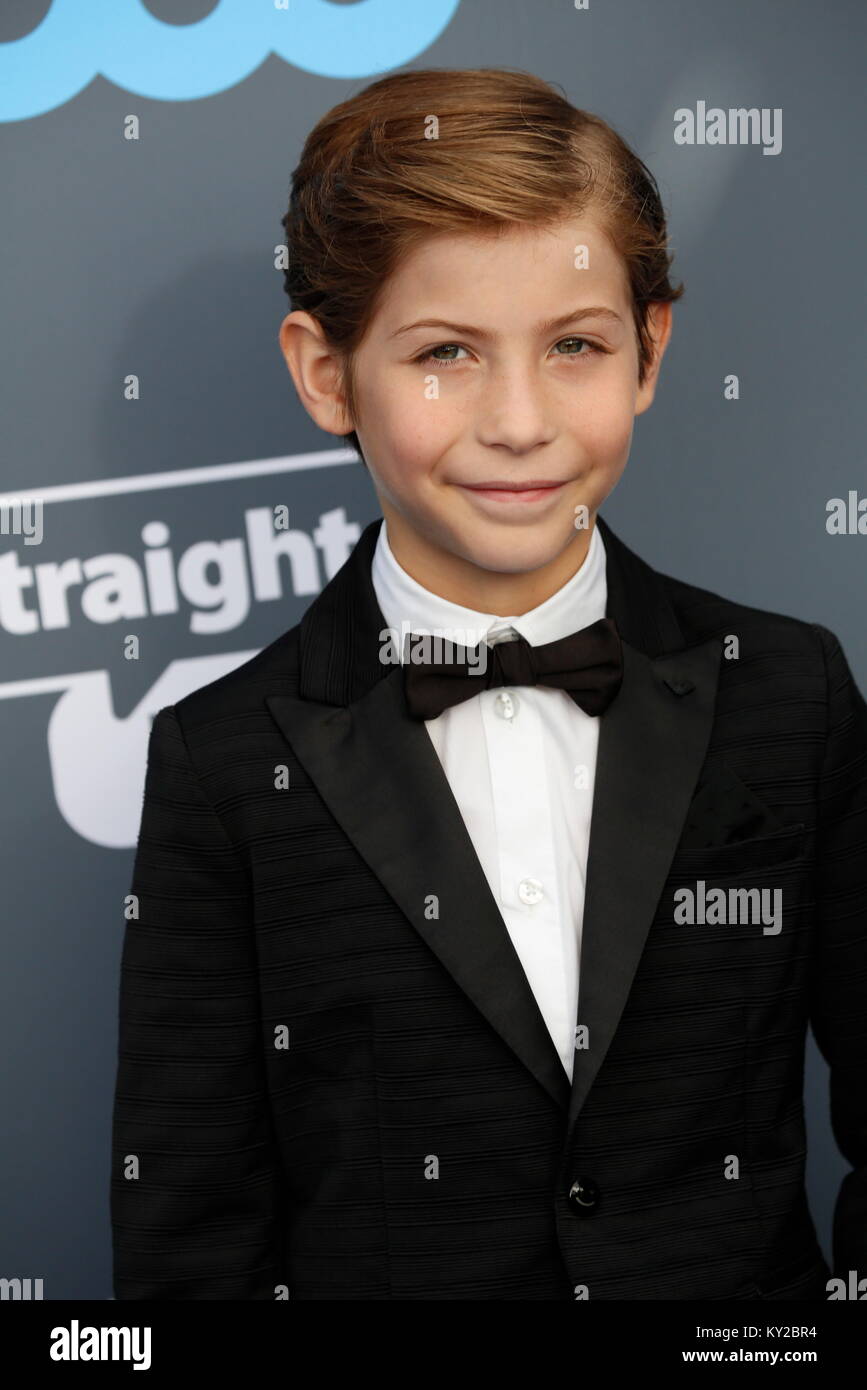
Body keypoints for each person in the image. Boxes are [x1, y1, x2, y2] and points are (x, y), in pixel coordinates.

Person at [111, 67, 867, 1300]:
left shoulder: (791, 693)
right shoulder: (223, 758)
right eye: (447, 353)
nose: (519, 420)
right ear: (324, 372)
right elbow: (189, 1231)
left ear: (650, 350)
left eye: (574, 344)